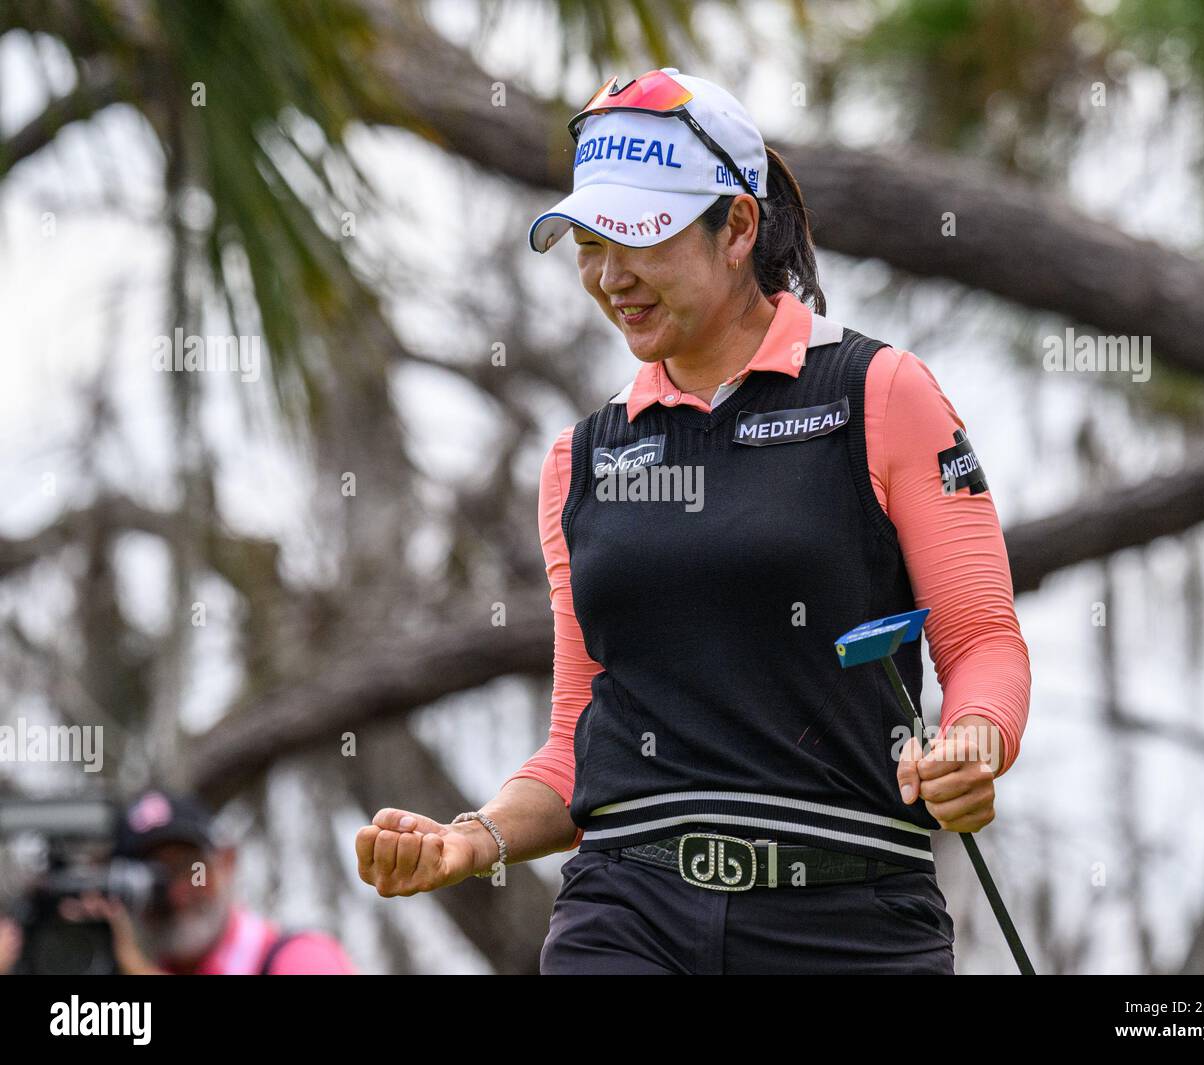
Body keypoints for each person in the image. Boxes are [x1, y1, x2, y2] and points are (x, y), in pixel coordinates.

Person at [356, 68, 1031, 975]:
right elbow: (575, 740)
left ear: (738, 228)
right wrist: (475, 837)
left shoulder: (880, 394)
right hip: (626, 912)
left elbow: (983, 637)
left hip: (850, 917)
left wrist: (975, 739)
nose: (609, 275)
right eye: (590, 243)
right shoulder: (580, 458)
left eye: (639, 238)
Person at [3, 788, 356, 975]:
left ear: (228, 861)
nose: (174, 893)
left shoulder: (297, 958)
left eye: (188, 868)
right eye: (148, 878)